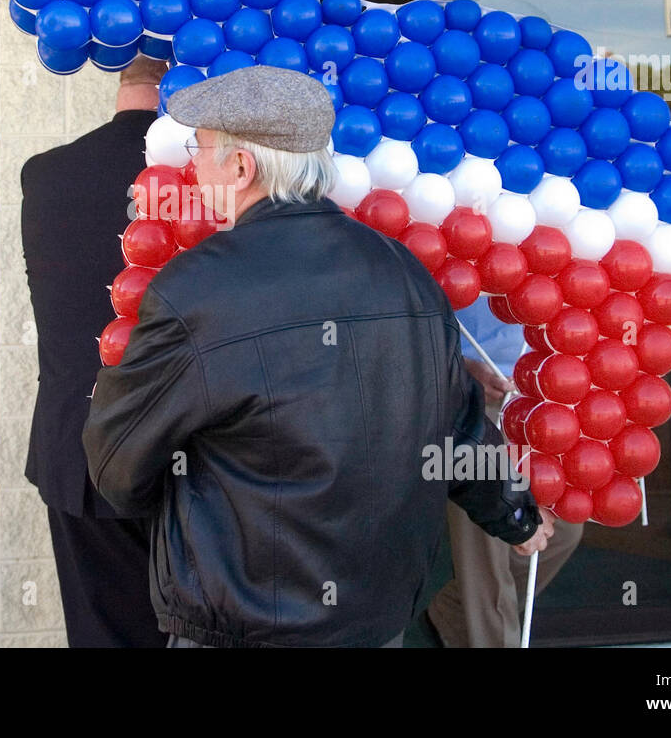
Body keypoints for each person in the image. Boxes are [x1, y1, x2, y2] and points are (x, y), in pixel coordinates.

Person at [83, 65, 551, 648]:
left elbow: (117, 470)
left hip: (243, 624)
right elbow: (457, 433)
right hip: (375, 620)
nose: (192, 169)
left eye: (197, 150)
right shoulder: (404, 272)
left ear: (241, 166)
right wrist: (515, 515)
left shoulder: (194, 289)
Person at [20, 54, 170, 648]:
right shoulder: (211, 183)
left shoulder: (46, 175)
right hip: (192, 455)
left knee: (104, 634)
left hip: (77, 448)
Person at [423, 296, 585, 647]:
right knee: (488, 553)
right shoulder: (444, 244)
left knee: (563, 531)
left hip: (545, 393)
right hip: (474, 397)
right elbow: (413, 328)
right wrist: (459, 369)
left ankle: (452, 614)